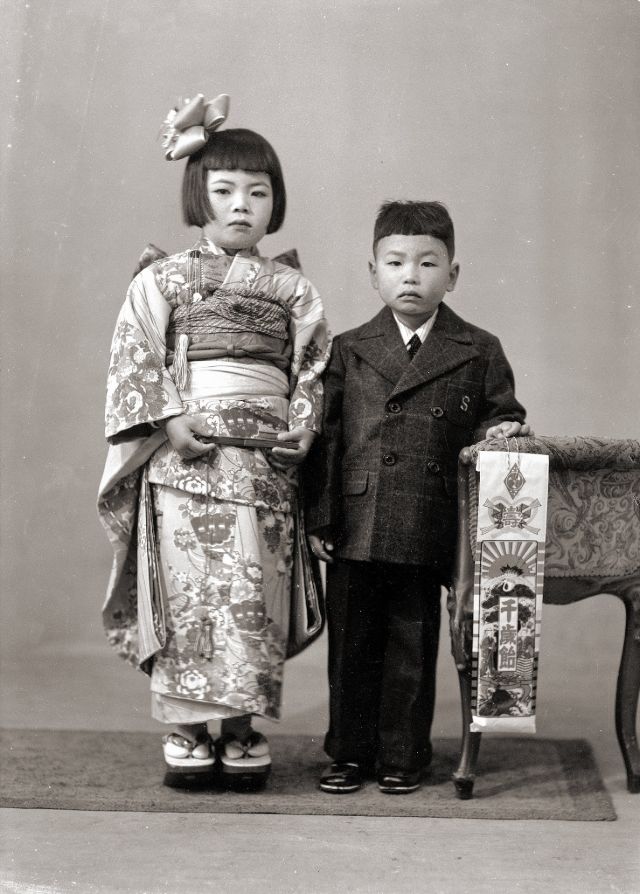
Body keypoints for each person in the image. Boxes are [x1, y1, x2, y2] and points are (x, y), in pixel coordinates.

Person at [98, 93, 330, 788]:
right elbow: (135, 354)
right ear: (197, 195)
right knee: (191, 595)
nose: (240, 206)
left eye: (257, 193)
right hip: (186, 459)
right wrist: (169, 420)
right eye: (224, 191)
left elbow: (313, 367)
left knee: (252, 596)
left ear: (274, 204)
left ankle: (240, 729)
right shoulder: (164, 278)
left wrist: (304, 425)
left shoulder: (293, 288)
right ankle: (187, 728)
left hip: (262, 466)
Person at [304, 200, 530, 794]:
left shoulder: (478, 349)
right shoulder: (350, 348)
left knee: (412, 638)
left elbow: (502, 419)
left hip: (428, 518)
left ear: (452, 275)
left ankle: (404, 755)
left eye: (428, 263)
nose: (412, 275)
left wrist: (503, 431)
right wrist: (321, 516)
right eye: (397, 262)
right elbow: (327, 438)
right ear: (372, 272)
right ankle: (349, 753)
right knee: (352, 644)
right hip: (358, 516)